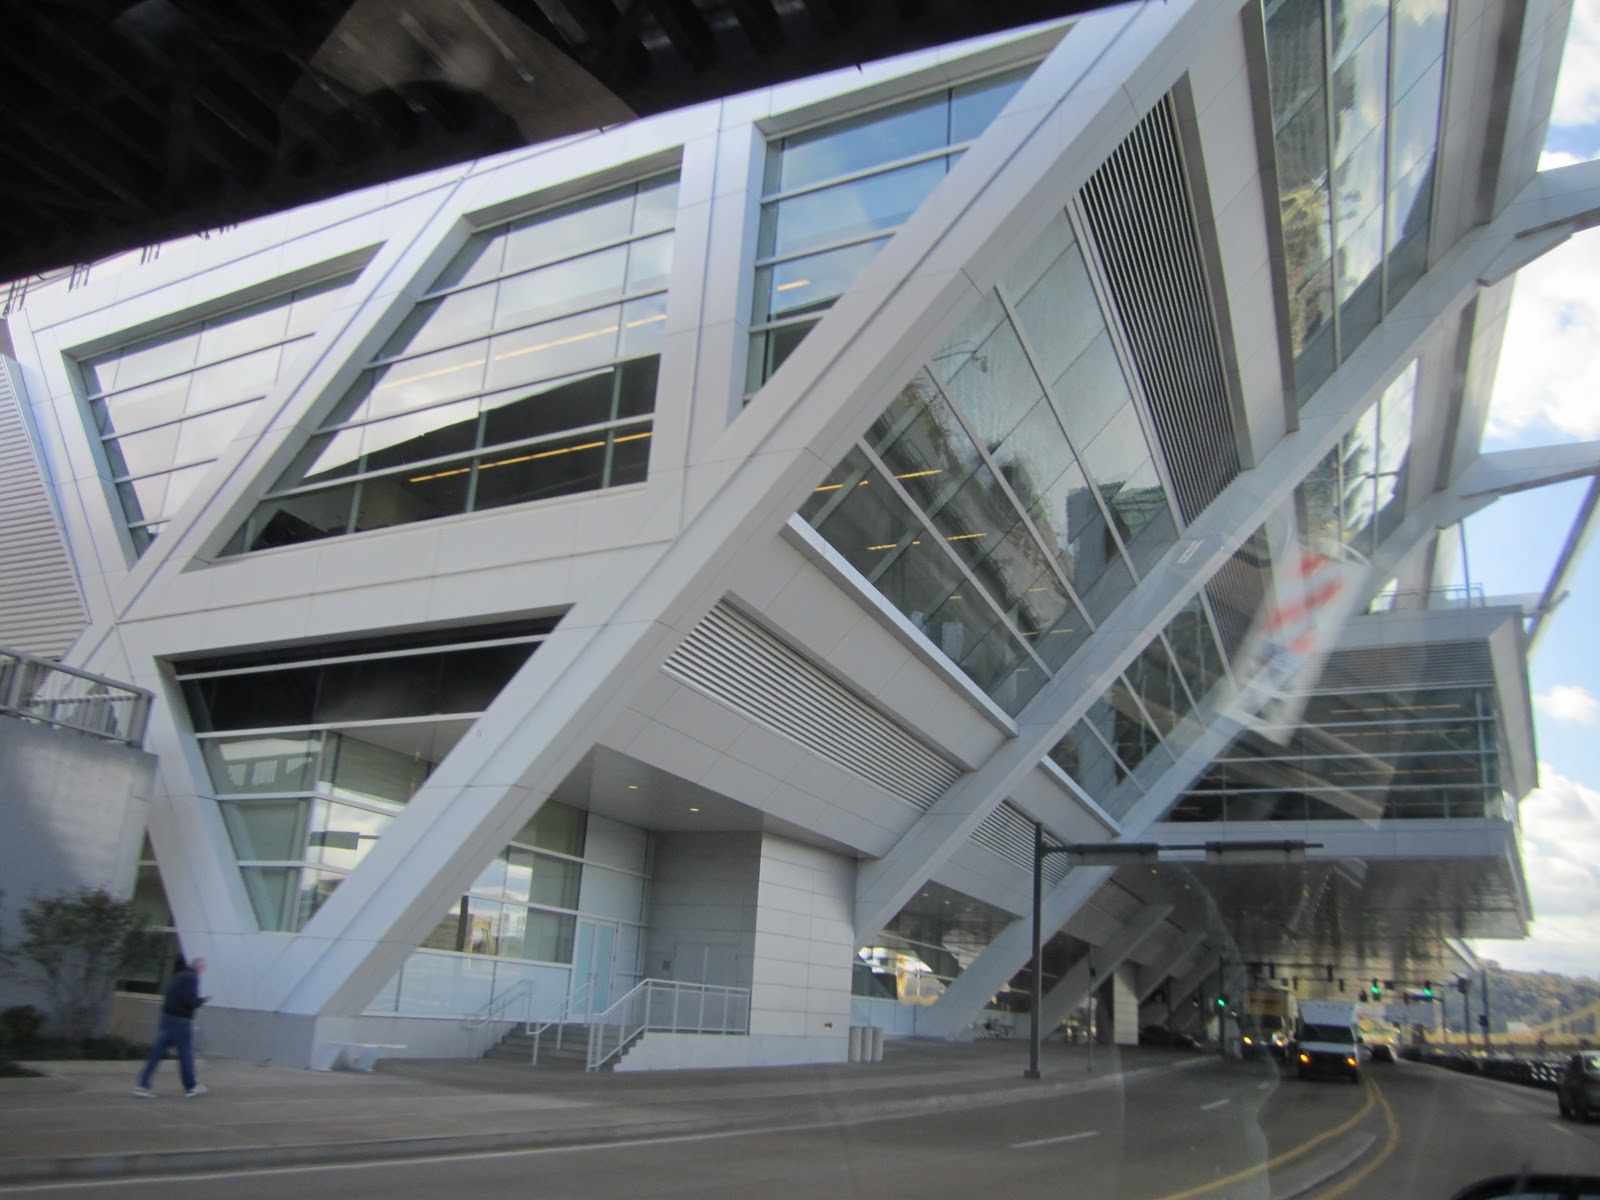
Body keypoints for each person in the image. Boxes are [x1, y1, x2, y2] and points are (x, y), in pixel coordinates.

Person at [132, 955, 210, 1098]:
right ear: (198, 967)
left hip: (167, 1018)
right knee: (185, 1053)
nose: (204, 970)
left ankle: (143, 1085)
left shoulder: (177, 976)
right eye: (203, 966)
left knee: (156, 1053)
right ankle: (190, 1086)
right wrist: (201, 1001)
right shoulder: (191, 978)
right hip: (181, 1020)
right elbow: (189, 1000)